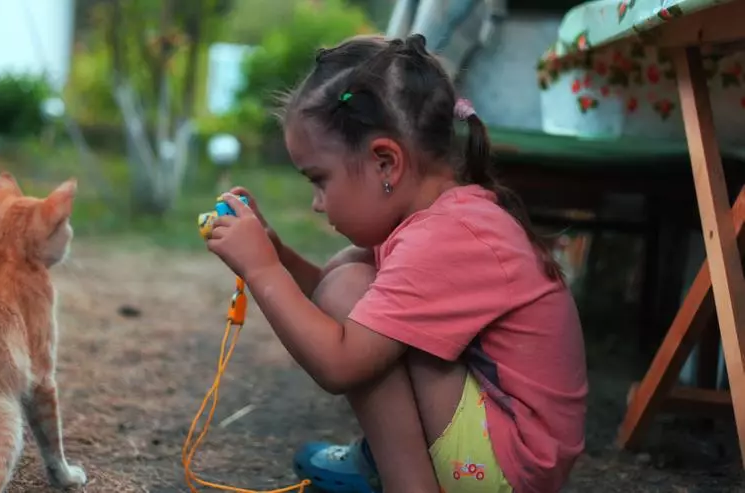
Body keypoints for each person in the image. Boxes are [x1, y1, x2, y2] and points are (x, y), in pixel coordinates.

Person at [205, 33, 588, 493]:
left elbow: (339, 362)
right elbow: (331, 301)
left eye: (320, 180)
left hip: (507, 465)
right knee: (349, 277)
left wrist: (263, 273)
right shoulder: (446, 219)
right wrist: (275, 255)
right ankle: (389, 468)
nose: (318, 204)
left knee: (349, 288)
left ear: (386, 163)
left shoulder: (447, 237)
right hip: (507, 448)